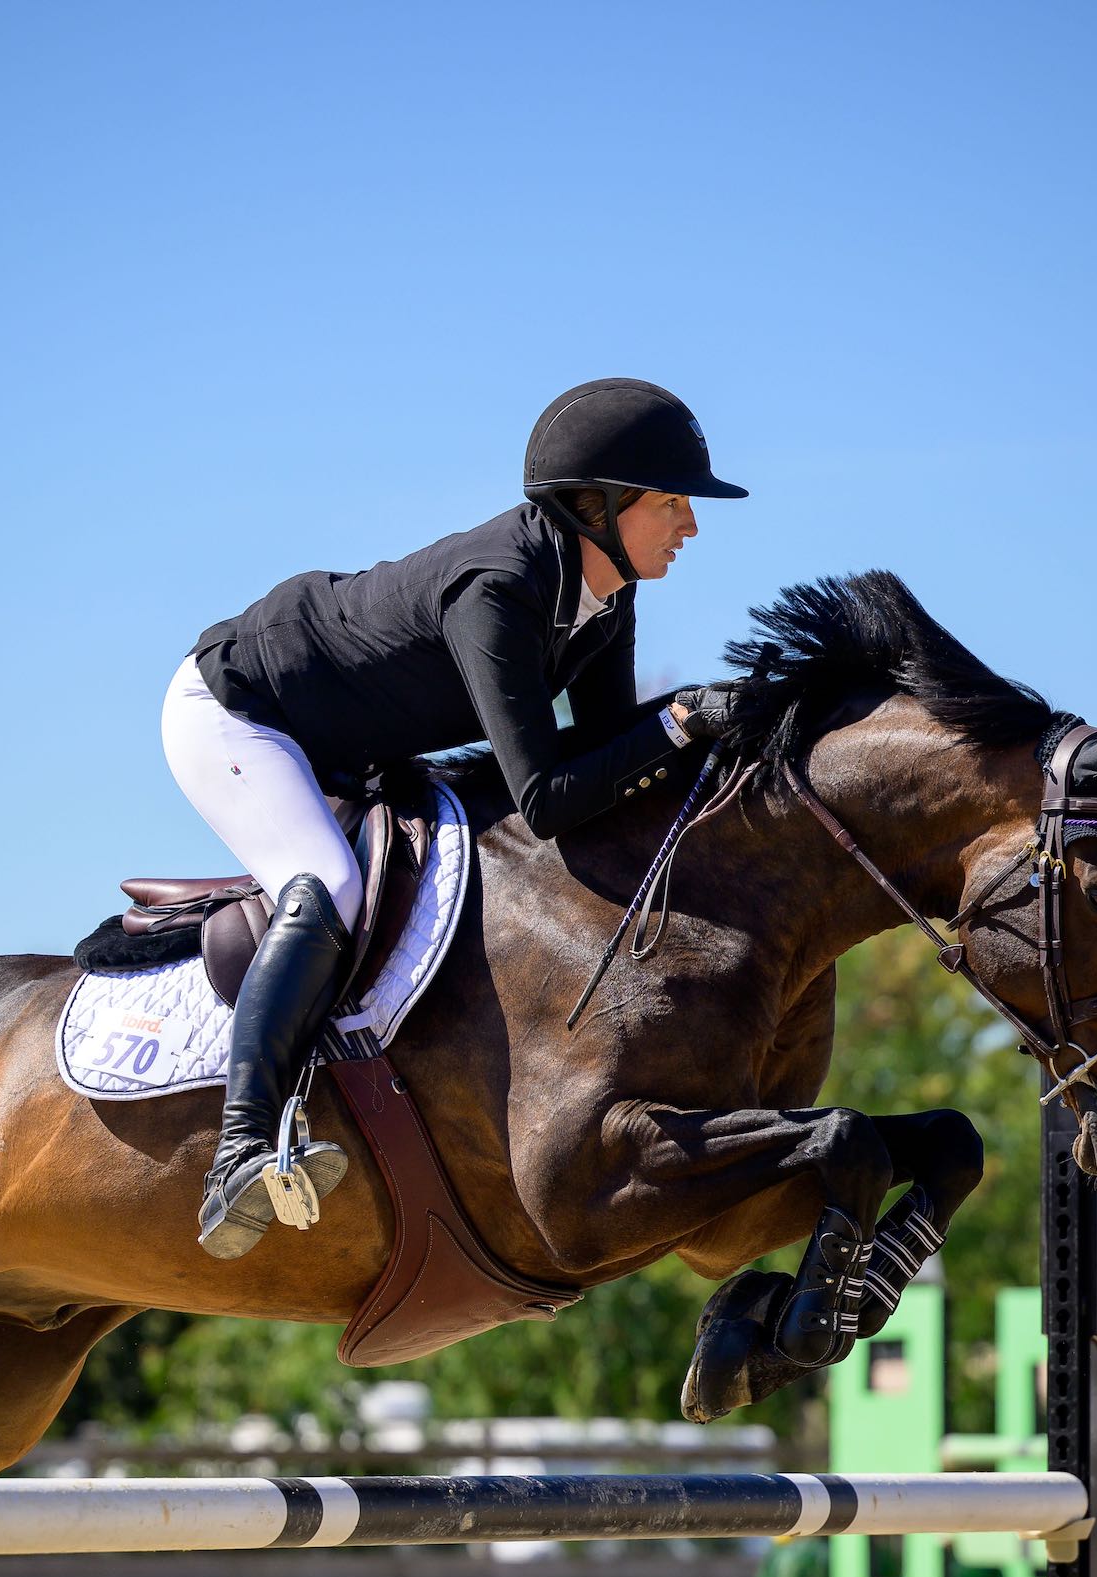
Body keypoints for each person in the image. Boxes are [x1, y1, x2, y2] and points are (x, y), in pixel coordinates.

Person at [161, 377, 747, 1258]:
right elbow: (548, 798)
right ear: (600, 505)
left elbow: (604, 749)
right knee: (325, 886)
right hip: (238, 712)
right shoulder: (500, 589)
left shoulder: (605, 597)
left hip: (346, 745)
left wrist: (714, 728)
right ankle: (238, 1149)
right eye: (671, 504)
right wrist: (675, 722)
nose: (690, 527)